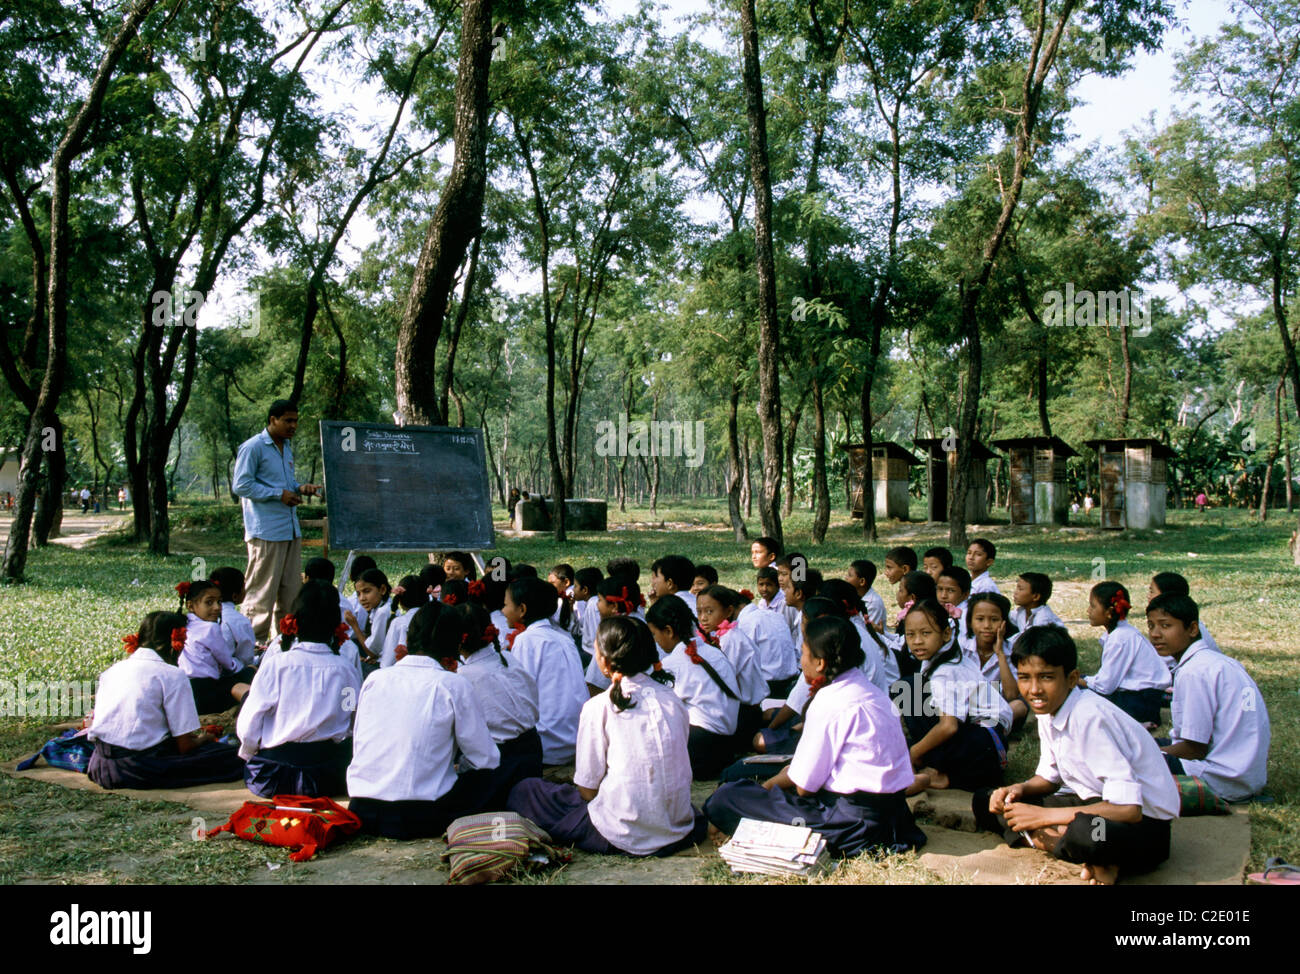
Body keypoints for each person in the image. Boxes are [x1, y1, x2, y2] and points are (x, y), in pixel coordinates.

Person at [973, 625, 1180, 885]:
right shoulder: (1048, 708)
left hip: (1142, 827)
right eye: (1024, 677)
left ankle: (1062, 842)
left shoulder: (1089, 717)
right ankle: (1065, 846)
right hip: (1092, 803)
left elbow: (1129, 810)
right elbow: (1048, 779)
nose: (1034, 689)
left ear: (1072, 678)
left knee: (1088, 833)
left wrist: (1043, 817)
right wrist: (1017, 789)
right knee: (987, 800)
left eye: (1046, 677)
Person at [705, 616, 927, 858]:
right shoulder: (875, 694)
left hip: (852, 825)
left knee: (726, 797)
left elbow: (804, 788)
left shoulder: (830, 700)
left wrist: (768, 788)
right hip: (898, 820)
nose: (801, 661)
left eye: (803, 653)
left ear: (820, 663)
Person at [507, 616, 708, 857]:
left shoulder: (599, 706)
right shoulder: (672, 699)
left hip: (621, 832)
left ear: (604, 661)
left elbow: (587, 790)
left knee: (527, 790)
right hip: (677, 825)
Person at [346, 603, 501, 838]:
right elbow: (485, 759)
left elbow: (360, 743)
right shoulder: (453, 684)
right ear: (457, 644)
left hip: (363, 808)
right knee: (493, 775)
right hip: (419, 815)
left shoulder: (375, 678)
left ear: (409, 638)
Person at [87, 612, 245, 789]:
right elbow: (185, 746)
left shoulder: (112, 671)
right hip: (136, 768)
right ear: (175, 644)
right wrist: (205, 738)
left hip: (100, 765)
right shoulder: (172, 675)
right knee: (233, 757)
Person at [236, 583, 362, 797]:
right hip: (328, 776)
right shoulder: (345, 670)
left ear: (294, 623)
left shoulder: (277, 666)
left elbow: (251, 720)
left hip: (274, 776)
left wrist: (249, 753)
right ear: (336, 626)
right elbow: (351, 719)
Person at [1148, 594, 1270, 802]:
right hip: (1244, 774)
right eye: (1151, 626)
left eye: (1166, 625)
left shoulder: (1195, 672)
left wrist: (1148, 754)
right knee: (1140, 743)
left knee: (1128, 762)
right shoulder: (1212, 662)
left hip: (1221, 778)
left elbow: (1195, 749)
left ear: (1192, 629)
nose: (1155, 634)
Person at [231, 400, 321, 641]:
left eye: (296, 421)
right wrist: (278, 494)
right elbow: (241, 485)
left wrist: (300, 488)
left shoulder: (286, 447)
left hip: (289, 529)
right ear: (273, 420)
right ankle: (252, 645)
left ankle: (285, 642)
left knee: (290, 593)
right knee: (261, 593)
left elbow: (285, 484)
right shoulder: (253, 447)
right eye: (288, 420)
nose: (293, 426)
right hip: (266, 531)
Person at [901, 598, 1011, 791]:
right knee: (911, 688)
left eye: (926, 633)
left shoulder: (946, 671)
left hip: (986, 741)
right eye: (911, 634)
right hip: (984, 737)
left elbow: (949, 727)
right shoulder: (946, 654)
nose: (917, 641)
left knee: (911, 692)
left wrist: (914, 753)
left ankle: (942, 774)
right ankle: (936, 765)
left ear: (946, 633)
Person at [448, 602, 544, 808]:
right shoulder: (507, 658)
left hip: (500, 768)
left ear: (456, 641)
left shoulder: (464, 677)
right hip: (533, 754)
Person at [646, 594, 741, 780]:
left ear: (668, 631)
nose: (655, 641)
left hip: (700, 749)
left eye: (655, 634)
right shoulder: (714, 652)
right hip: (728, 745)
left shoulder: (673, 664)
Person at [505, 576, 587, 764]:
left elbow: (520, 695)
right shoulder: (564, 638)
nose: (503, 611)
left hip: (549, 743)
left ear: (522, 609)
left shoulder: (526, 640)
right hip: (577, 737)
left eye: (506, 605)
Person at [1078, 581, 1170, 726]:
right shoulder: (1122, 633)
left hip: (1139, 703)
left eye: (1093, 606)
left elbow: (1105, 686)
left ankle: (1137, 722)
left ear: (1109, 612)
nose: (1088, 611)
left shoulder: (1119, 638)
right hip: (1142, 699)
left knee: (1073, 688)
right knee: (1080, 682)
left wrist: (1076, 681)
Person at [176, 580, 256, 714]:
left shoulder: (183, 623)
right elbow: (228, 664)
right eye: (209, 602)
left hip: (184, 690)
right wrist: (245, 667)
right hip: (205, 691)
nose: (217, 607)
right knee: (250, 672)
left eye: (219, 602)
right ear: (190, 606)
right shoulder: (210, 628)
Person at [964, 593, 1029, 730]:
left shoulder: (1012, 651)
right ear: (970, 622)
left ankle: (987, 730)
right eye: (980, 619)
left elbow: (1011, 696)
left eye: (994, 620)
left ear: (1004, 623)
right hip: (965, 707)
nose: (987, 625)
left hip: (997, 710)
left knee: (1019, 706)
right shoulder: (961, 649)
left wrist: (1000, 654)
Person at [342, 567, 392, 673]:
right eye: (358, 594)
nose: (362, 598)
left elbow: (371, 651)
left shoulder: (382, 612)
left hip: (384, 669)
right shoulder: (382, 607)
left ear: (382, 589)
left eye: (367, 591)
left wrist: (354, 626)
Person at [209, 567, 257, 668]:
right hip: (224, 673)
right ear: (235, 596)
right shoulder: (240, 621)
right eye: (244, 587)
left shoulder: (200, 614)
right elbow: (246, 659)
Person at [846, 559, 886, 631]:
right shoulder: (852, 595)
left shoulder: (874, 603)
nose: (846, 578)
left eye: (850, 575)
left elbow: (868, 631)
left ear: (862, 581)